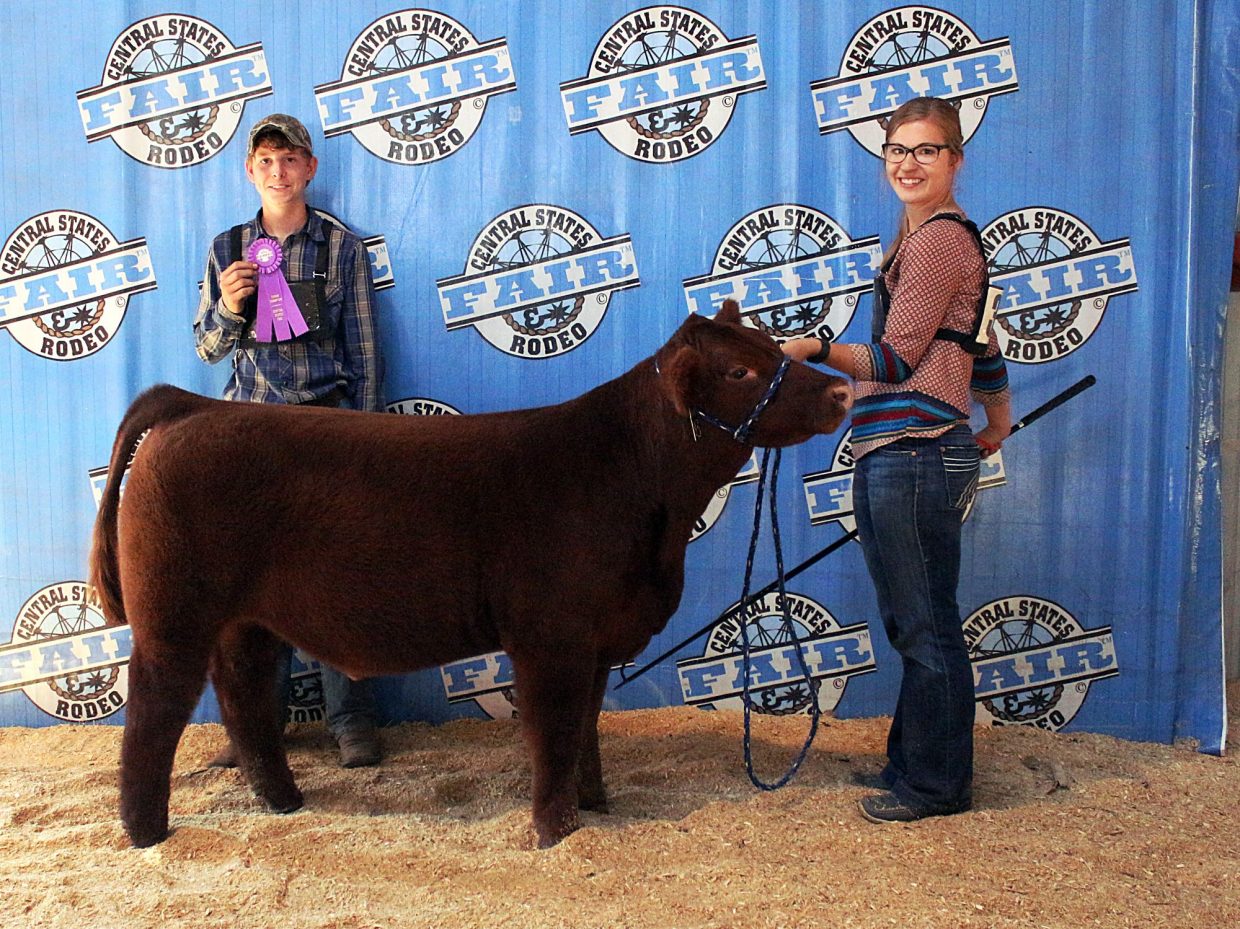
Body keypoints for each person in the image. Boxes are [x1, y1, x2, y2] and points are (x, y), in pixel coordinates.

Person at [784, 96, 1012, 822]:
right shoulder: (930, 243)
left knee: (926, 625)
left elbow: (894, 354)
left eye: (926, 150)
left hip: (914, 455)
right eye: (896, 151)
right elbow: (980, 350)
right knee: (918, 620)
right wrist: (996, 420)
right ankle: (912, 765)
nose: (908, 164)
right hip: (912, 445)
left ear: (956, 160)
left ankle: (937, 786)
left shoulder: (940, 241)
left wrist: (813, 350)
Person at [193, 113, 385, 768]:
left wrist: (363, 446)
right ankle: (256, 727)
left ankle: (351, 718)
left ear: (310, 169)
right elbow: (207, 347)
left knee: (337, 579)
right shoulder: (226, 249)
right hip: (248, 439)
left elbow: (363, 353)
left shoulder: (342, 248)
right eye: (266, 161)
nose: (279, 171)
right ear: (251, 171)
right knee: (248, 588)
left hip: (324, 434)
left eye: (290, 159)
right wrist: (226, 307)